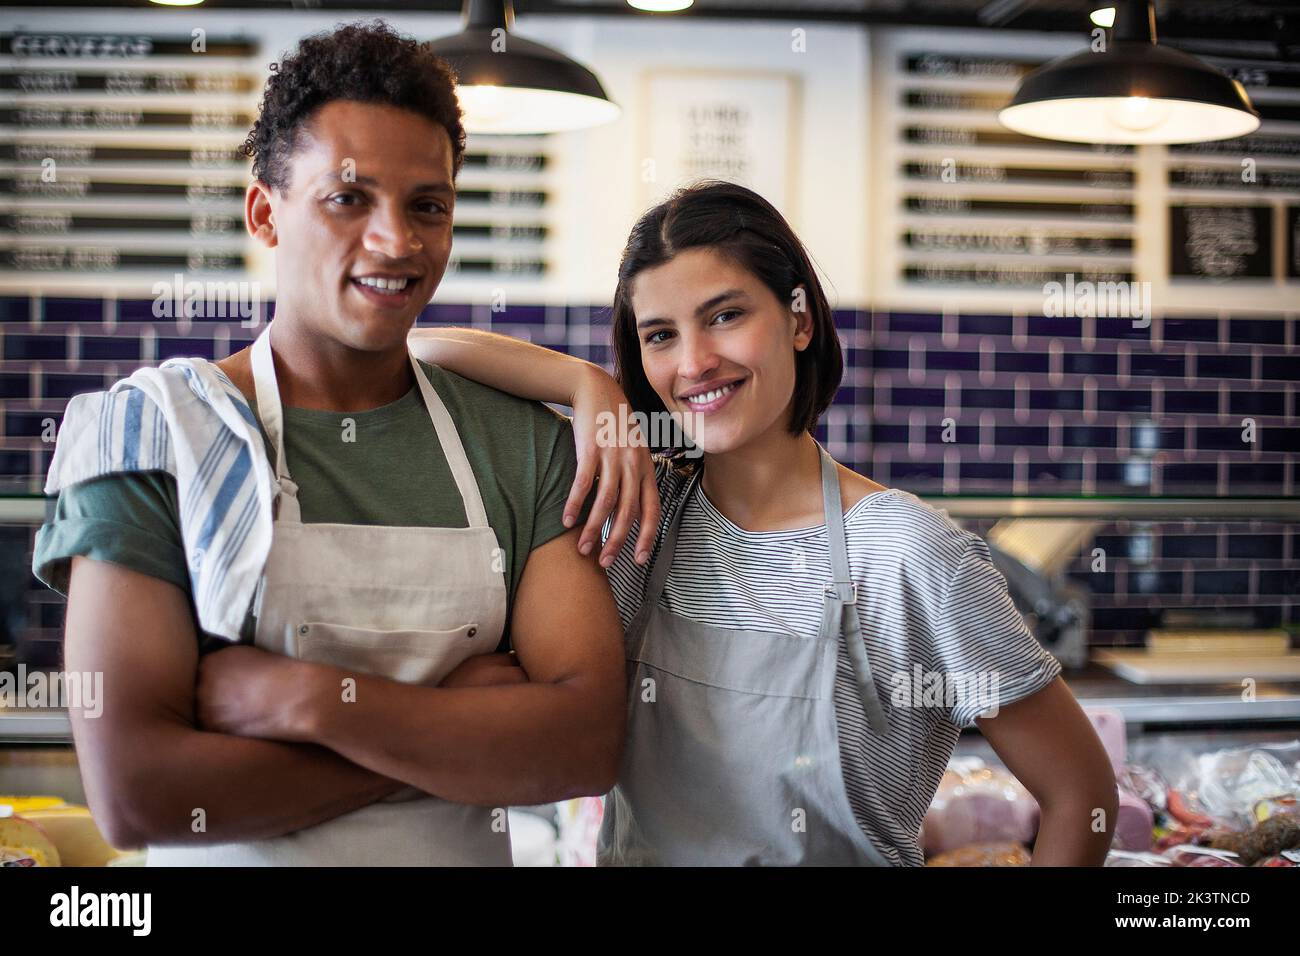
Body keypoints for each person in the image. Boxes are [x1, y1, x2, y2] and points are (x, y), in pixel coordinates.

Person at [32, 20, 625, 866]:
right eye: (349, 199)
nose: (397, 241)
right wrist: (448, 726)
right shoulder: (153, 435)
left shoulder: (526, 446)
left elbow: (584, 745)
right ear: (264, 214)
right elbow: (139, 794)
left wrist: (310, 702)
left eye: (428, 205)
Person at [407, 180, 1120, 866]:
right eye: (661, 335)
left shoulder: (906, 552)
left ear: (800, 320)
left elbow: (1081, 795)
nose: (694, 362)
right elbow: (414, 350)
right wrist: (583, 382)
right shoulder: (636, 510)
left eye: (725, 316)